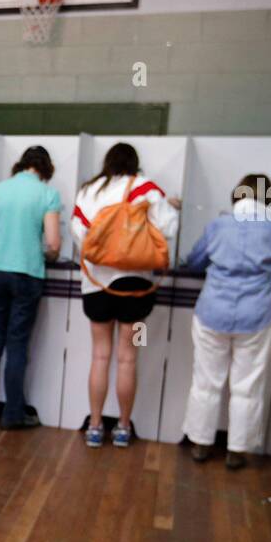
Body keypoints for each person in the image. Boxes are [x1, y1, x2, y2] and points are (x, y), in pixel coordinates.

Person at [181, 174, 271, 469]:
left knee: (206, 381)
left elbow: (195, 262)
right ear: (268, 199)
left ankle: (201, 444)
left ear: (237, 196)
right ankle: (236, 449)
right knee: (248, 385)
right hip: (256, 314)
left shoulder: (218, 225)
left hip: (212, 311)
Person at [71, 143, 180, 448]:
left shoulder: (88, 191)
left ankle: (94, 426)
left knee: (100, 356)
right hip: (137, 285)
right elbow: (168, 229)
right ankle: (122, 427)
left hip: (96, 285)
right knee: (128, 358)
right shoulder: (147, 189)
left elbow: (79, 233)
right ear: (135, 164)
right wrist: (171, 207)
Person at [0, 146, 61, 429]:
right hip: (27, 274)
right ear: (45, 169)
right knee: (17, 344)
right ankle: (13, 414)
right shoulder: (47, 194)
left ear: (21, 165)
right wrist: (45, 255)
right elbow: (54, 244)